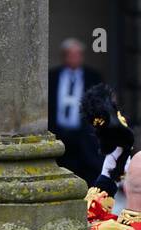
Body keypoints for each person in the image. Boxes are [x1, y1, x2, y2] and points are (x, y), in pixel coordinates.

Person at [48, 38, 103, 185]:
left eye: (77, 54)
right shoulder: (52, 77)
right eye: (70, 54)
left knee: (87, 173)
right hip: (58, 134)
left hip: (84, 135)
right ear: (64, 56)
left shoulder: (93, 77)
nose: (74, 58)